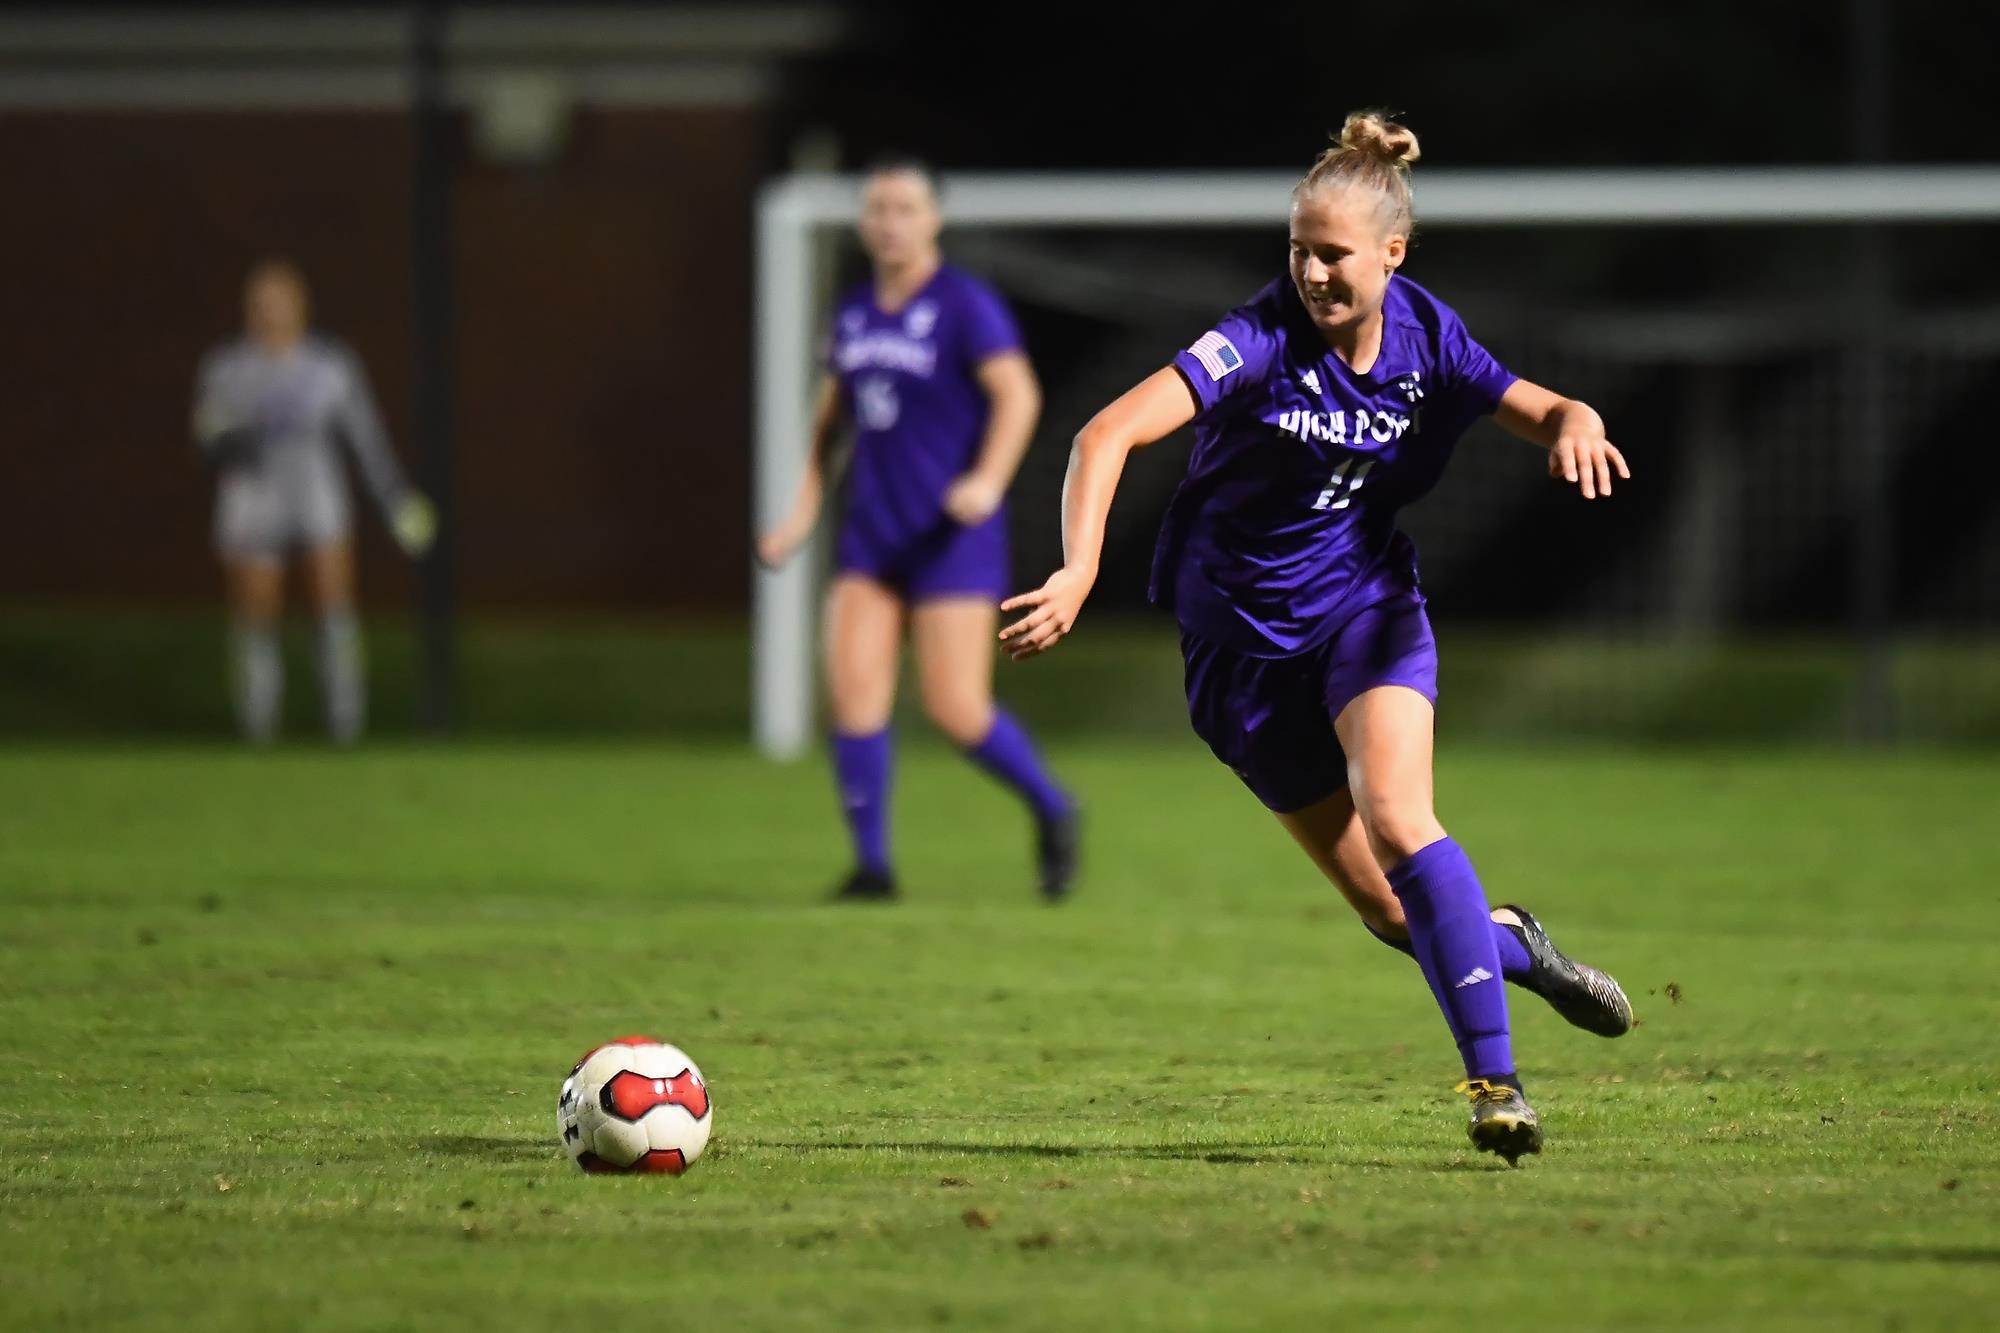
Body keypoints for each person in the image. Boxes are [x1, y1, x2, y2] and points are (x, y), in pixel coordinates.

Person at [1000, 113, 1634, 1163]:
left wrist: (1572, 420)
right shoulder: (1252, 340)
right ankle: (1515, 947)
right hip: (1237, 659)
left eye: (1331, 252)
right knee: (1394, 915)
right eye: (1296, 248)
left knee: (1397, 813)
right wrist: (1078, 567)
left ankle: (1495, 1085)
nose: (1309, 270)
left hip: (1362, 612)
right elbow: (1103, 432)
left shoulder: (1429, 334)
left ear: (1390, 253)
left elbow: (1538, 404)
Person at [759, 158, 1079, 903]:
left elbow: (1018, 397)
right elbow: (828, 428)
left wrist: (986, 482)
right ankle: (873, 868)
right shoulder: (853, 314)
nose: (889, 221)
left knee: (954, 707)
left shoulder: (965, 305)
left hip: (950, 538)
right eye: (877, 208)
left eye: (904, 207)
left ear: (933, 218)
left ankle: (1053, 805)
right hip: (872, 537)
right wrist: (796, 519)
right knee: (855, 696)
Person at [192, 259, 434, 744]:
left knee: (332, 598)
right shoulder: (227, 368)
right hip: (254, 494)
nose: (270, 313)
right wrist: (225, 441)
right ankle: (258, 725)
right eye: (260, 303)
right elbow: (206, 432)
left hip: (316, 490)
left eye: (279, 301)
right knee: (257, 607)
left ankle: (345, 723)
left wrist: (394, 499)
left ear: (301, 307)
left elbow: (366, 438)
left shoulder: (329, 367)